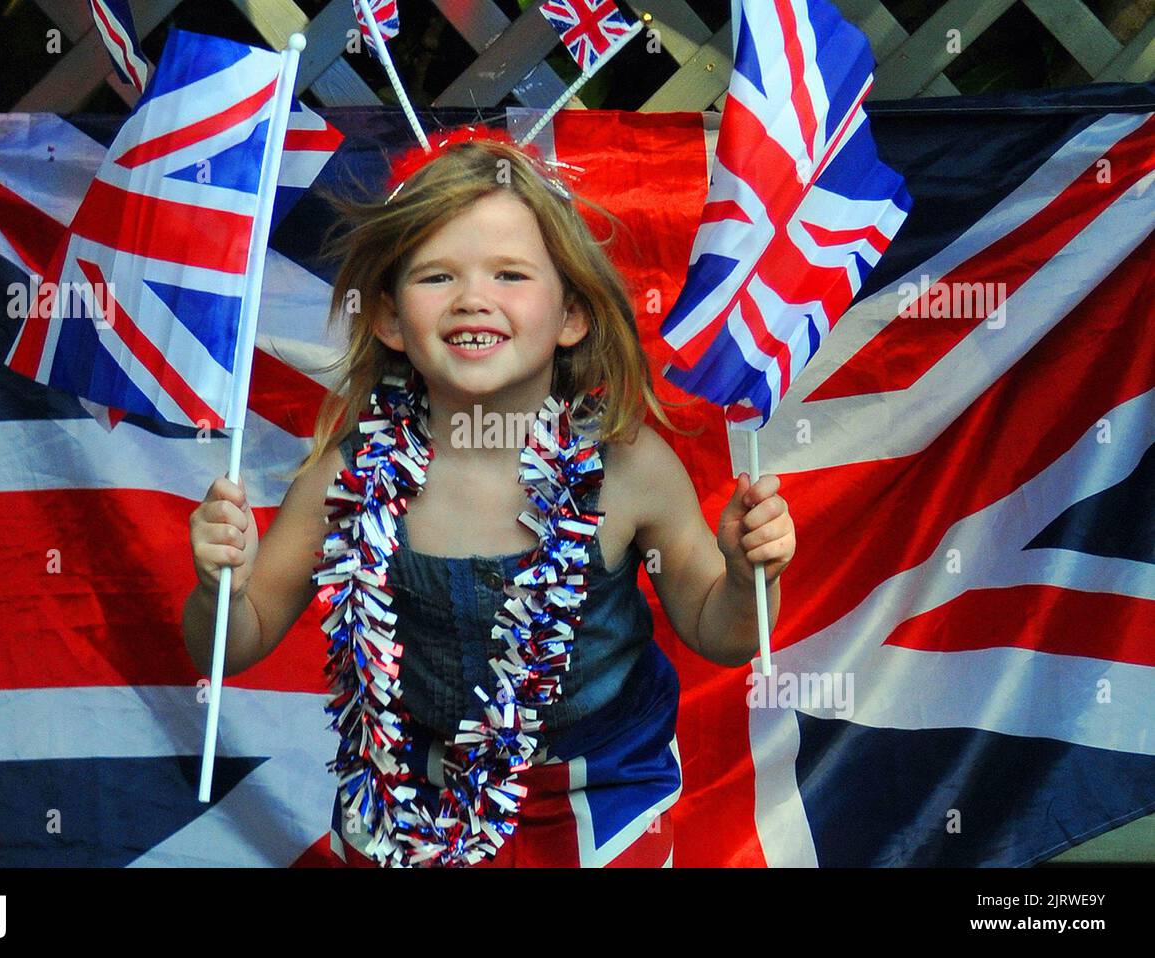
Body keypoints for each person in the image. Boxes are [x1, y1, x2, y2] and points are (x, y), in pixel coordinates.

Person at [182, 127, 796, 868]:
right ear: (387, 318)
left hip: (597, 801)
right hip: (413, 802)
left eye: (510, 275)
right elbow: (233, 645)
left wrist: (746, 576)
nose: (473, 299)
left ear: (571, 314)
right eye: (437, 277)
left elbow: (720, 632)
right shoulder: (346, 479)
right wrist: (221, 586)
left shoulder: (629, 468)